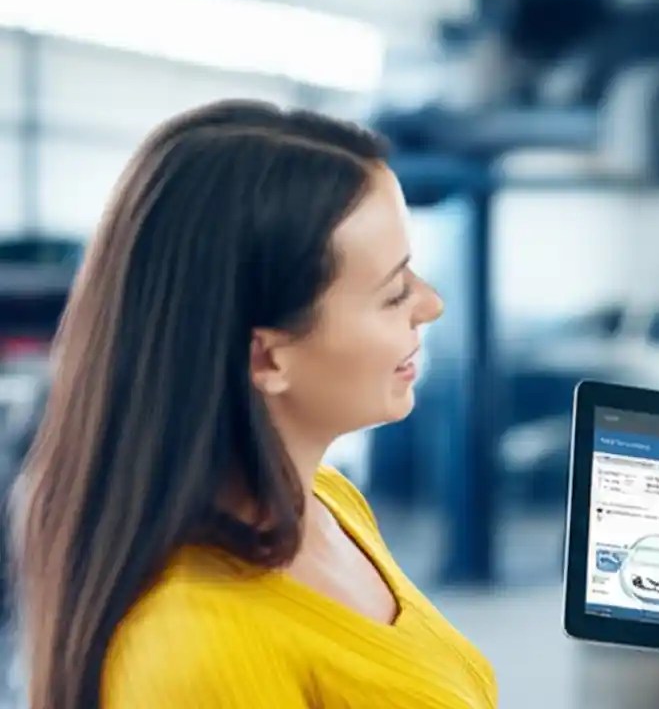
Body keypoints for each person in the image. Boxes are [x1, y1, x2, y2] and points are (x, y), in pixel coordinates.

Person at [11, 100, 498, 709]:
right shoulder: (199, 653)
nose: (430, 305)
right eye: (393, 293)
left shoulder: (326, 504)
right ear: (267, 358)